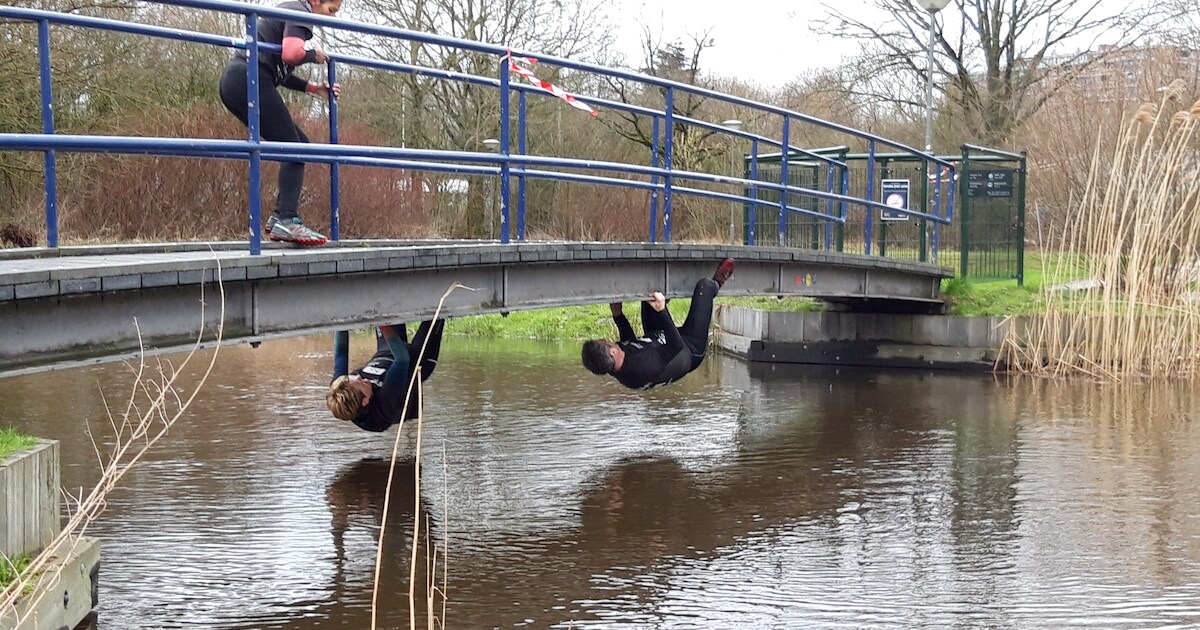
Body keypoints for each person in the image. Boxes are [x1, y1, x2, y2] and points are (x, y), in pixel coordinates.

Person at [218, 0, 343, 246]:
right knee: (294, 149)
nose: (332, 18)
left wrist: (312, 88)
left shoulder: (287, 12)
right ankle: (286, 220)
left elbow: (278, 66)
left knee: (298, 145)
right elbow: (292, 53)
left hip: (239, 79)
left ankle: (279, 217)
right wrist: (312, 56)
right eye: (331, 11)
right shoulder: (301, 12)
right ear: (316, 1)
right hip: (248, 78)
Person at [581, 258, 734, 389]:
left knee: (649, 294)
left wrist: (618, 316)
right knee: (704, 287)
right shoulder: (643, 368)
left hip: (657, 338)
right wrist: (662, 311)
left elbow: (630, 343)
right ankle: (718, 280)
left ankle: (664, 288)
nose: (610, 341)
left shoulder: (613, 361)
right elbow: (676, 347)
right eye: (607, 342)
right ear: (613, 352)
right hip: (687, 349)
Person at [326, 319, 445, 432]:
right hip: (416, 362)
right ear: (365, 401)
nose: (360, 377)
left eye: (353, 378)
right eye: (362, 382)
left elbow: (341, 354)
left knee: (384, 308)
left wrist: (342, 322)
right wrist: (383, 325)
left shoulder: (340, 387)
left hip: (385, 353)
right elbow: (402, 359)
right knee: (435, 315)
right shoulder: (385, 404)